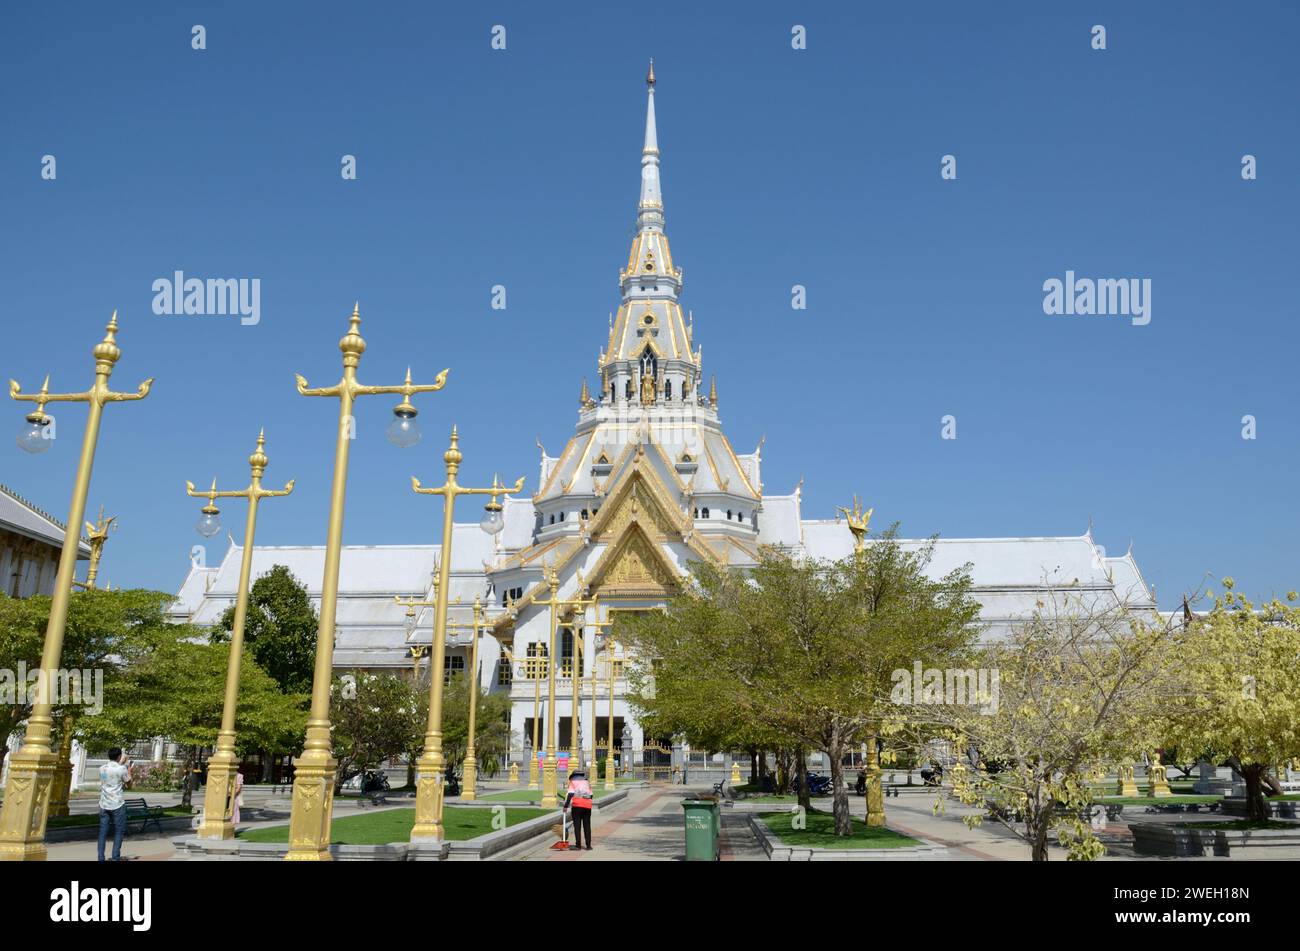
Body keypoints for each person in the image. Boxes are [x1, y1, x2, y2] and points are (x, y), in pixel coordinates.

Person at [97, 747, 132, 862]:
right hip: (117, 804)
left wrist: (121, 764)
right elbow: (129, 784)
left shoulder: (102, 768)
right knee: (118, 831)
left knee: (103, 831)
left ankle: (101, 858)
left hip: (104, 803)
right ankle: (115, 857)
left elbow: (107, 780)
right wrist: (129, 769)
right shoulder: (121, 769)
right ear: (119, 756)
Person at [563, 769, 594, 850]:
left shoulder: (573, 781)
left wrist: (565, 806)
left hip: (577, 806)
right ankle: (588, 845)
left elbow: (570, 794)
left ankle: (578, 845)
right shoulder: (587, 782)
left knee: (577, 826)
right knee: (587, 826)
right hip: (587, 806)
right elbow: (591, 795)